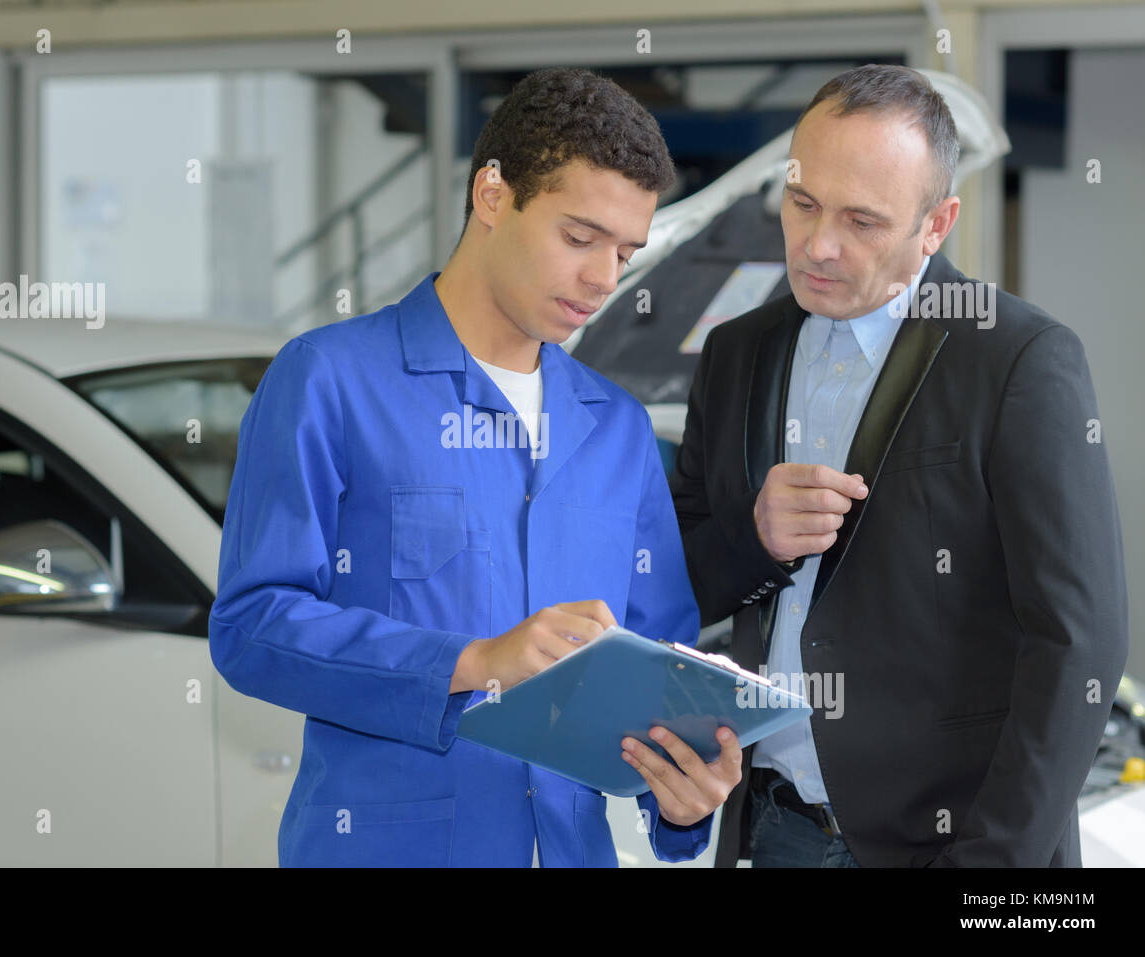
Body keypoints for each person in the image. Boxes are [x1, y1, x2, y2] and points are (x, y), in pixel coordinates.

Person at [209, 67, 741, 867]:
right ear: (492, 194)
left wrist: (684, 795)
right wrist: (472, 662)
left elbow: (660, 673)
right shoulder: (329, 380)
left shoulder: (617, 430)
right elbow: (251, 627)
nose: (604, 279)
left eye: (625, 251)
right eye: (579, 237)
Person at [672, 63, 1128, 867]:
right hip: (772, 831)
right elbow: (681, 582)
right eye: (803, 202)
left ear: (936, 223)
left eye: (862, 221)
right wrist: (754, 537)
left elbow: (1078, 641)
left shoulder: (1019, 357)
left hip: (953, 846)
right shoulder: (734, 353)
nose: (818, 245)